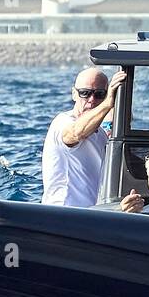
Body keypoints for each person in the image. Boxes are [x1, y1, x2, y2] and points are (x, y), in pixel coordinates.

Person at [42, 68, 125, 207]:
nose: (92, 100)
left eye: (99, 94)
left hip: (91, 214)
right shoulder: (62, 122)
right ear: (74, 94)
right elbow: (76, 133)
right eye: (85, 93)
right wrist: (107, 103)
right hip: (63, 212)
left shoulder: (101, 132)